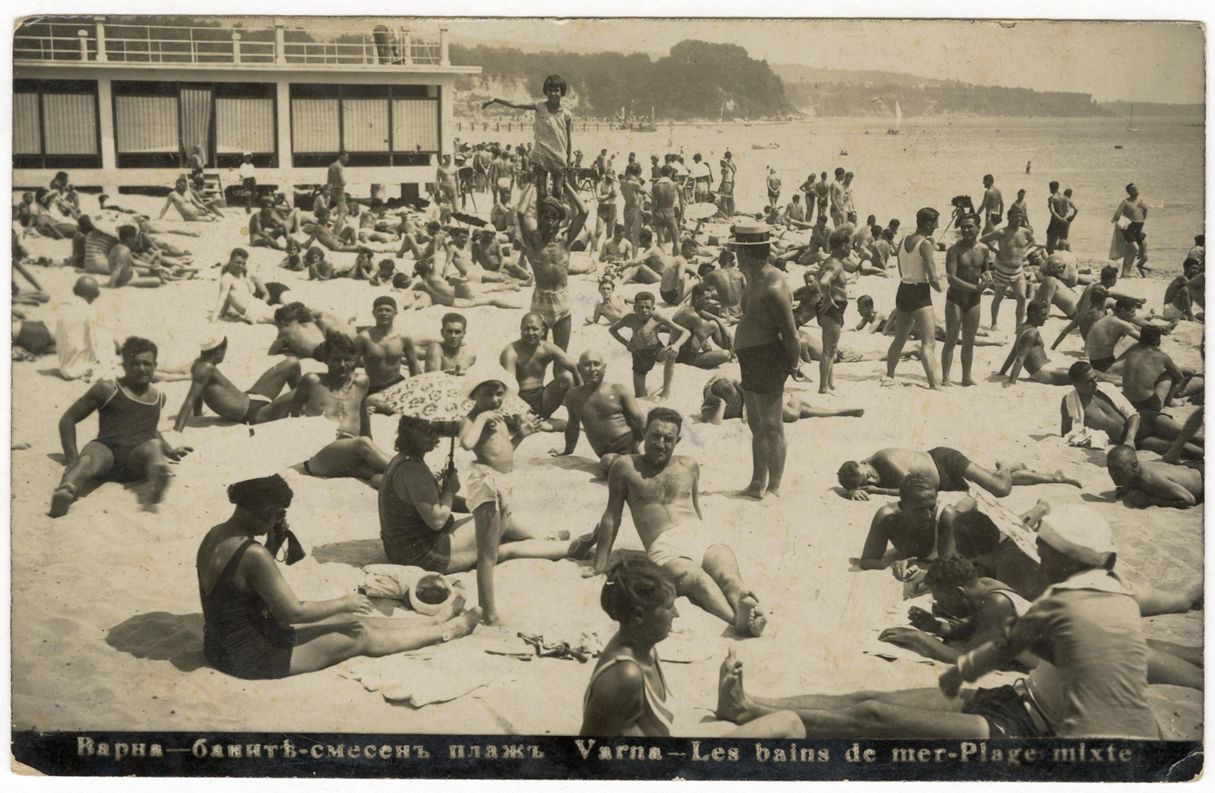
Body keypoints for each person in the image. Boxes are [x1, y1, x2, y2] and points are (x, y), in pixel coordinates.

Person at [717, 503, 1160, 739]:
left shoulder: (1083, 611)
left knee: (874, 716)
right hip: (1018, 696)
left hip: (1027, 728)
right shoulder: (1087, 592)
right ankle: (755, 702)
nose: (1036, 561)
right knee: (872, 695)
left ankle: (751, 710)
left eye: (1043, 554)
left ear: (1065, 560)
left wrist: (927, 640)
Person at [199, 474, 478, 679]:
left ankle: (436, 621)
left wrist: (272, 545)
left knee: (353, 621)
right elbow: (293, 612)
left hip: (220, 646)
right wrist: (345, 602)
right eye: (277, 514)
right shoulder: (253, 554)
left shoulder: (214, 535)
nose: (277, 520)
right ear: (265, 511)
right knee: (357, 636)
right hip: (250, 656)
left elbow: (243, 587)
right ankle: (445, 631)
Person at [580, 556, 804, 738]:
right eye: (669, 607)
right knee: (789, 725)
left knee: (787, 723)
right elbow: (585, 756)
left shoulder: (644, 647)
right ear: (639, 615)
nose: (676, 614)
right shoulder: (625, 675)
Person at [591, 408, 769, 637]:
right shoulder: (625, 467)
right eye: (655, 436)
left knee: (729, 578)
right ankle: (738, 621)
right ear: (644, 433)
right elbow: (611, 516)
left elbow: (696, 508)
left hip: (700, 535)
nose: (660, 444)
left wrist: (704, 542)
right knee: (698, 580)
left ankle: (748, 610)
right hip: (665, 546)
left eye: (668, 439)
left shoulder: (689, 465)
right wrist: (599, 565)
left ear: (678, 441)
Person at [379, 415, 586, 575]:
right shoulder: (413, 469)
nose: (432, 436)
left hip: (400, 549)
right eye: (424, 431)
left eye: (434, 429)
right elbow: (438, 520)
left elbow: (430, 506)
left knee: (492, 519)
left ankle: (544, 537)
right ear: (407, 432)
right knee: (498, 533)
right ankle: (564, 547)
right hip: (423, 555)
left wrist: (472, 504)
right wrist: (450, 490)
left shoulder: (402, 460)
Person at [51, 337, 191, 517]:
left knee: (153, 446)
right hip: (107, 451)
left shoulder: (158, 397)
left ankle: (157, 480)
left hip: (136, 462)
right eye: (135, 364)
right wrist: (71, 459)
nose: (142, 369)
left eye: (146, 364)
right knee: (88, 457)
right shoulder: (107, 389)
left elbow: (151, 429)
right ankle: (66, 491)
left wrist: (169, 451)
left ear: (155, 365)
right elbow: (68, 419)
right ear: (124, 364)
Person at [732, 223, 799, 500]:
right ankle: (757, 482)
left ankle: (774, 487)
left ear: (748, 253)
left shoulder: (773, 284)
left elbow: (791, 333)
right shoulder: (753, 278)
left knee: (772, 425)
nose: (735, 254)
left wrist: (793, 365)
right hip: (750, 358)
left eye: (737, 250)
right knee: (755, 423)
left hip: (769, 357)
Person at [288, 334, 392, 486]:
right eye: (336, 360)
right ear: (326, 360)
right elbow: (293, 416)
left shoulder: (361, 382)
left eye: (347, 359)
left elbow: (363, 416)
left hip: (350, 452)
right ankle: (420, 473)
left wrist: (371, 446)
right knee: (362, 444)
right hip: (320, 453)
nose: (342, 364)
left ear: (354, 359)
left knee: (379, 476)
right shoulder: (313, 381)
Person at [837, 446, 1079, 501]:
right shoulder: (866, 467)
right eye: (865, 482)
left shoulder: (886, 461)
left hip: (946, 461)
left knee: (1001, 488)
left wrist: (876, 490)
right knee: (994, 482)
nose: (871, 480)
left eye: (866, 475)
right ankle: (1053, 477)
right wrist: (851, 490)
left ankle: (1005, 465)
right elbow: (845, 481)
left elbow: (913, 490)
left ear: (863, 463)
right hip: (944, 480)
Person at [516, 179, 588, 351]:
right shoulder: (533, 243)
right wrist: (532, 183)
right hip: (541, 301)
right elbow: (521, 212)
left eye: (554, 218)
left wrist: (566, 185)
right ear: (540, 219)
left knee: (561, 355)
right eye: (546, 217)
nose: (549, 222)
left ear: (559, 222)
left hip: (562, 299)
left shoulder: (565, 241)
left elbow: (584, 212)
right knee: (537, 355)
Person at [173, 336, 299, 430]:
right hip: (254, 414)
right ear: (219, 352)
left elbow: (198, 391)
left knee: (292, 363)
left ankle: (297, 411)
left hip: (251, 398)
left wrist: (197, 415)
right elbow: (190, 400)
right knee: (306, 384)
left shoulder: (200, 364)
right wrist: (177, 431)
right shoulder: (206, 369)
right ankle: (300, 412)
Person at [553, 349, 646, 476]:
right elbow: (573, 425)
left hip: (631, 442)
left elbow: (639, 418)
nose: (592, 369)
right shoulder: (573, 396)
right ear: (579, 368)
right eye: (587, 365)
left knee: (640, 455)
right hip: (608, 453)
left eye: (596, 364)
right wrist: (567, 451)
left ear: (604, 367)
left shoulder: (618, 389)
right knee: (607, 462)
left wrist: (643, 441)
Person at [483, 74, 573, 199]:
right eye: (550, 90)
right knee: (541, 191)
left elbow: (568, 138)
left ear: (562, 92)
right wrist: (496, 100)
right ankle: (541, 217)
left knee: (558, 190)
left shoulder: (567, 114)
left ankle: (555, 217)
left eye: (556, 90)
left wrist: (568, 158)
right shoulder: (540, 106)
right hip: (542, 153)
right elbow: (516, 104)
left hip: (559, 155)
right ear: (546, 92)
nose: (553, 94)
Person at [885, 207, 943, 389]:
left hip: (903, 290)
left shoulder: (902, 241)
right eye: (935, 223)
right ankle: (934, 383)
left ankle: (889, 375)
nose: (937, 226)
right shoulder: (925, 244)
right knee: (928, 341)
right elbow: (933, 279)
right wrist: (945, 287)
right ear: (927, 224)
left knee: (900, 338)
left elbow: (902, 270)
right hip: (919, 293)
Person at [857, 474, 956, 571]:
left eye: (931, 507)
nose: (928, 515)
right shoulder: (887, 518)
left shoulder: (946, 516)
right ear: (902, 506)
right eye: (920, 509)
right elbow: (867, 560)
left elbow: (946, 570)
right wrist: (892, 565)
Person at [501, 312, 579, 428]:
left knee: (567, 377)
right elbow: (510, 387)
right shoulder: (511, 352)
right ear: (521, 330)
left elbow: (574, 366)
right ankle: (540, 424)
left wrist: (582, 395)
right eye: (526, 329)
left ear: (542, 331)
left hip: (543, 398)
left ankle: (573, 417)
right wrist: (521, 412)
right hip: (520, 400)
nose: (530, 333)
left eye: (535, 329)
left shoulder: (547, 348)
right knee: (521, 422)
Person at [608, 291, 689, 401]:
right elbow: (612, 330)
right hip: (639, 354)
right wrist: (626, 343)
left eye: (647, 307)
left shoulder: (657, 317)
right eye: (641, 307)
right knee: (640, 397)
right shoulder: (630, 318)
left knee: (671, 354)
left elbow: (685, 332)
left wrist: (677, 345)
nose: (644, 310)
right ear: (635, 307)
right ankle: (651, 390)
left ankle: (665, 391)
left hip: (656, 349)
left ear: (653, 308)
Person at [701, 374, 863, 425]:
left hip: (760, 398)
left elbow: (746, 391)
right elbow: (714, 424)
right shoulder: (711, 403)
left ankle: (796, 399)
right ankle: (839, 412)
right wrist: (722, 403)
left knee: (792, 416)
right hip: (754, 402)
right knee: (803, 413)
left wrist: (746, 406)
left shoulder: (734, 387)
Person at [941, 214, 988, 386]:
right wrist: (975, 287)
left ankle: (966, 377)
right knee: (951, 340)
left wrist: (987, 278)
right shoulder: (954, 250)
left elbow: (984, 270)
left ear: (978, 228)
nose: (966, 230)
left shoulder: (983, 249)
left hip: (974, 300)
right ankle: (946, 378)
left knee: (969, 341)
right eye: (963, 227)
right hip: (956, 298)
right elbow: (951, 278)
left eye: (970, 226)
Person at [999, 302, 1089, 386]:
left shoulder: (1022, 328)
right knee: (1085, 375)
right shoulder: (1032, 333)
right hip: (1045, 372)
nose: (1046, 318)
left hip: (1045, 370)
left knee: (1082, 370)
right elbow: (1020, 359)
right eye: (1043, 314)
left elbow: (1014, 352)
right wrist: (1012, 382)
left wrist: (1002, 372)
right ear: (1032, 314)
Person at [981, 203, 1033, 330]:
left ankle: (1018, 326)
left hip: (1018, 271)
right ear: (1009, 217)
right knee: (998, 297)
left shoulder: (1025, 232)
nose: (1018, 219)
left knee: (1021, 298)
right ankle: (994, 323)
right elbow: (983, 240)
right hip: (1002, 270)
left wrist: (1025, 250)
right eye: (1015, 217)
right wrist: (996, 251)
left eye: (1020, 217)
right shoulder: (1001, 232)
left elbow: (1033, 241)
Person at [54, 275, 115, 381]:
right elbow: (101, 344)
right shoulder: (90, 312)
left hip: (64, 367)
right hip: (79, 368)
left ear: (75, 290)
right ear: (96, 295)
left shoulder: (63, 307)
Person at [357, 295, 419, 398]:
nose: (384, 313)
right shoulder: (364, 338)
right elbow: (350, 366)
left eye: (388, 310)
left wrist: (415, 389)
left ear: (395, 313)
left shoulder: (403, 337)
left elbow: (413, 365)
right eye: (380, 310)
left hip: (397, 385)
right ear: (373, 313)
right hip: (373, 387)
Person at [816, 226, 854, 394]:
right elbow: (824, 282)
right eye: (850, 244)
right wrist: (828, 298)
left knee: (832, 348)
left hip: (834, 308)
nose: (852, 247)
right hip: (832, 309)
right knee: (829, 349)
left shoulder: (832, 262)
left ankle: (829, 383)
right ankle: (823, 386)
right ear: (843, 245)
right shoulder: (835, 265)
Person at [1107, 445, 1203, 509]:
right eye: (1109, 468)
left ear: (1135, 466)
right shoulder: (1135, 467)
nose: (1113, 474)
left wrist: (1151, 500)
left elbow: (1189, 500)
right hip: (1189, 467)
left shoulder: (1151, 480)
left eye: (1118, 469)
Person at [672, 285, 733, 368]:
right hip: (682, 355)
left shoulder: (689, 308)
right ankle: (732, 352)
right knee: (725, 355)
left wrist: (725, 330)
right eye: (706, 298)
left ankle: (732, 350)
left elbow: (713, 318)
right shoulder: (693, 317)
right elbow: (706, 347)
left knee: (713, 324)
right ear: (697, 298)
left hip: (680, 346)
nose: (709, 301)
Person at [211, 248, 275, 324]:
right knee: (285, 315)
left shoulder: (239, 277)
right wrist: (213, 321)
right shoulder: (227, 278)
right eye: (238, 262)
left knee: (285, 312)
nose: (241, 266)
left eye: (243, 263)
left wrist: (222, 315)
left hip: (259, 306)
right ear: (230, 261)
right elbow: (221, 299)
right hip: (254, 312)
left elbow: (228, 298)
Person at [1085, 297, 1141, 373]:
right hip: (1104, 365)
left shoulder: (1109, 318)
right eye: (1132, 312)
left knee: (1130, 338)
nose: (1134, 315)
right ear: (1122, 311)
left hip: (1095, 362)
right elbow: (1147, 339)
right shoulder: (1120, 323)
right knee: (1141, 343)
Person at [1111, 182, 1148, 277]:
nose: (1136, 190)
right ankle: (1124, 273)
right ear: (1129, 192)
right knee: (1134, 249)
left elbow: (1144, 214)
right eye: (1133, 189)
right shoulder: (1126, 202)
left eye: (1136, 188)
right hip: (1129, 229)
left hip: (1139, 229)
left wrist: (1145, 213)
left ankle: (1134, 269)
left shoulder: (1140, 201)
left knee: (1144, 256)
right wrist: (1118, 220)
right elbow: (1117, 213)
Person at [651, 165, 682, 255]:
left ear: (661, 173)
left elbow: (653, 204)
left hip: (659, 212)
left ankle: (661, 259)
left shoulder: (656, 186)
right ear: (671, 173)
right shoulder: (674, 185)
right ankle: (676, 259)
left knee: (660, 239)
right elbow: (681, 192)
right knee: (676, 239)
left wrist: (653, 216)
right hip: (669, 212)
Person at [1045, 181, 1072, 253]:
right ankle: (1071, 257)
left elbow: (1053, 212)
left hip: (1055, 222)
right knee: (1064, 243)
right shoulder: (1065, 197)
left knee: (1050, 244)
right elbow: (1073, 209)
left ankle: (1051, 259)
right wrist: (1065, 219)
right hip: (1064, 223)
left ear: (1051, 188)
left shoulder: (1052, 198)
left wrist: (1060, 219)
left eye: (1050, 187)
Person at [327, 151, 350, 232]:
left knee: (346, 210)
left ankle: (335, 225)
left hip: (333, 190)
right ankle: (336, 233)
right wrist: (346, 182)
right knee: (341, 213)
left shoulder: (331, 165)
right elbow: (342, 182)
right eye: (346, 157)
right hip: (339, 190)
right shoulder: (338, 166)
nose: (347, 159)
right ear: (341, 156)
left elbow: (328, 182)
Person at [717, 151, 737, 218]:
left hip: (726, 183)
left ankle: (725, 215)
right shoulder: (732, 164)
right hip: (731, 183)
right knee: (730, 199)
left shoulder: (726, 166)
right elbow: (735, 171)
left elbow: (724, 178)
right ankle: (730, 214)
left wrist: (720, 186)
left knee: (723, 200)